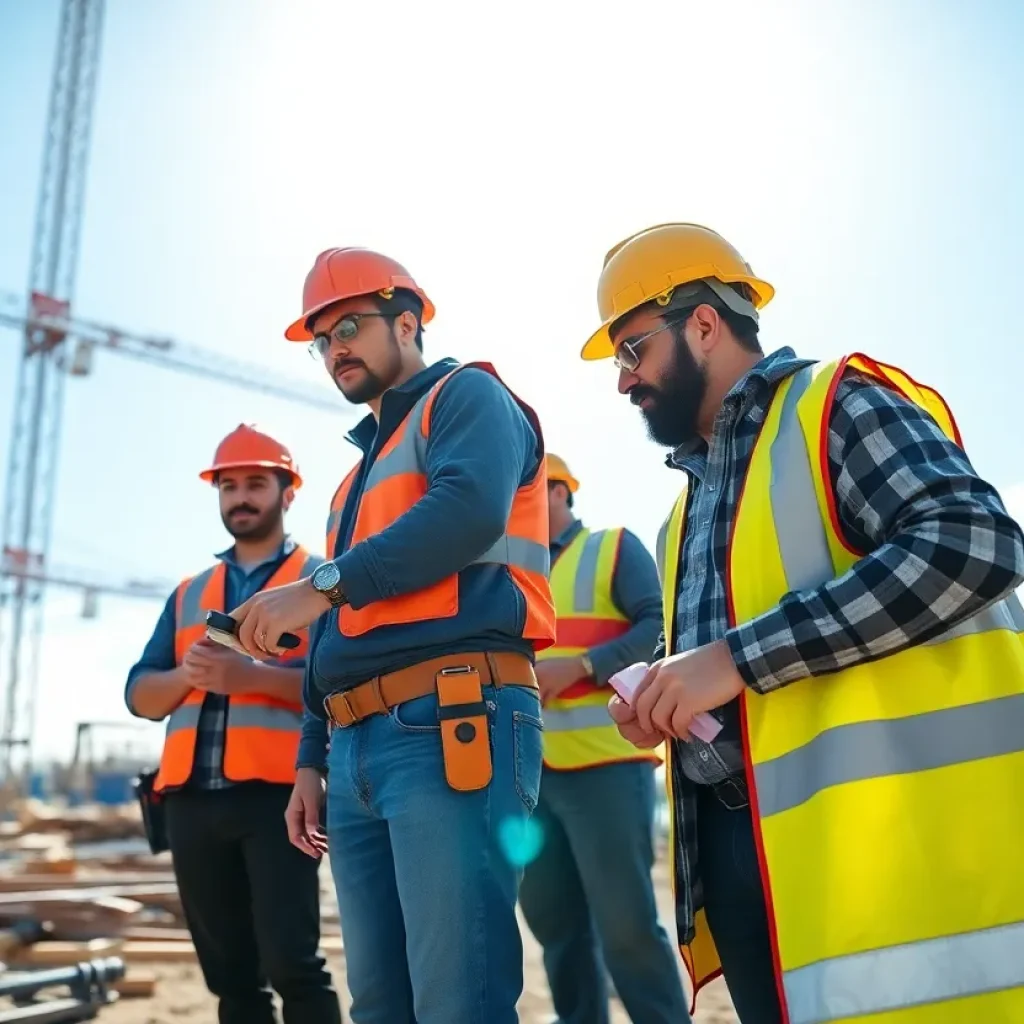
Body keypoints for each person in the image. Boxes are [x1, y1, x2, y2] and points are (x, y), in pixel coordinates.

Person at [581, 222, 1024, 1024]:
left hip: (892, 844)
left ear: (705, 324)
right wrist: (664, 699)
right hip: (747, 851)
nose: (623, 380)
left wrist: (734, 660)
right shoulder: (677, 518)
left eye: (633, 349)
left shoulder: (836, 403)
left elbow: (975, 544)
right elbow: (725, 668)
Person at [228, 247, 556, 1024]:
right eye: (322, 338)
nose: (335, 347)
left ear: (407, 322)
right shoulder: (352, 481)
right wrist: (313, 756)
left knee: (457, 999)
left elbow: (467, 511)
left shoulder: (466, 395)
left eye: (350, 325)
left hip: (452, 719)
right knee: (379, 1003)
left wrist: (319, 584)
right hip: (357, 748)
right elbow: (341, 631)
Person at [124, 424, 343, 1024]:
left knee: (292, 963)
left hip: (280, 799)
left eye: (255, 483)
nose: (240, 497)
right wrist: (190, 678)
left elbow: (346, 684)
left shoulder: (321, 581)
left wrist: (251, 679)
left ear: (287, 493)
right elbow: (141, 695)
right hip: (191, 804)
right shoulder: (190, 592)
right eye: (229, 486)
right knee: (230, 980)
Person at [518, 452, 690, 1024]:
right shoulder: (508, 573)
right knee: (556, 930)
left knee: (627, 929)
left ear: (561, 492)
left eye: (531, 491)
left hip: (608, 770)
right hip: (529, 782)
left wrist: (582, 667)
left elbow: (660, 627)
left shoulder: (613, 548)